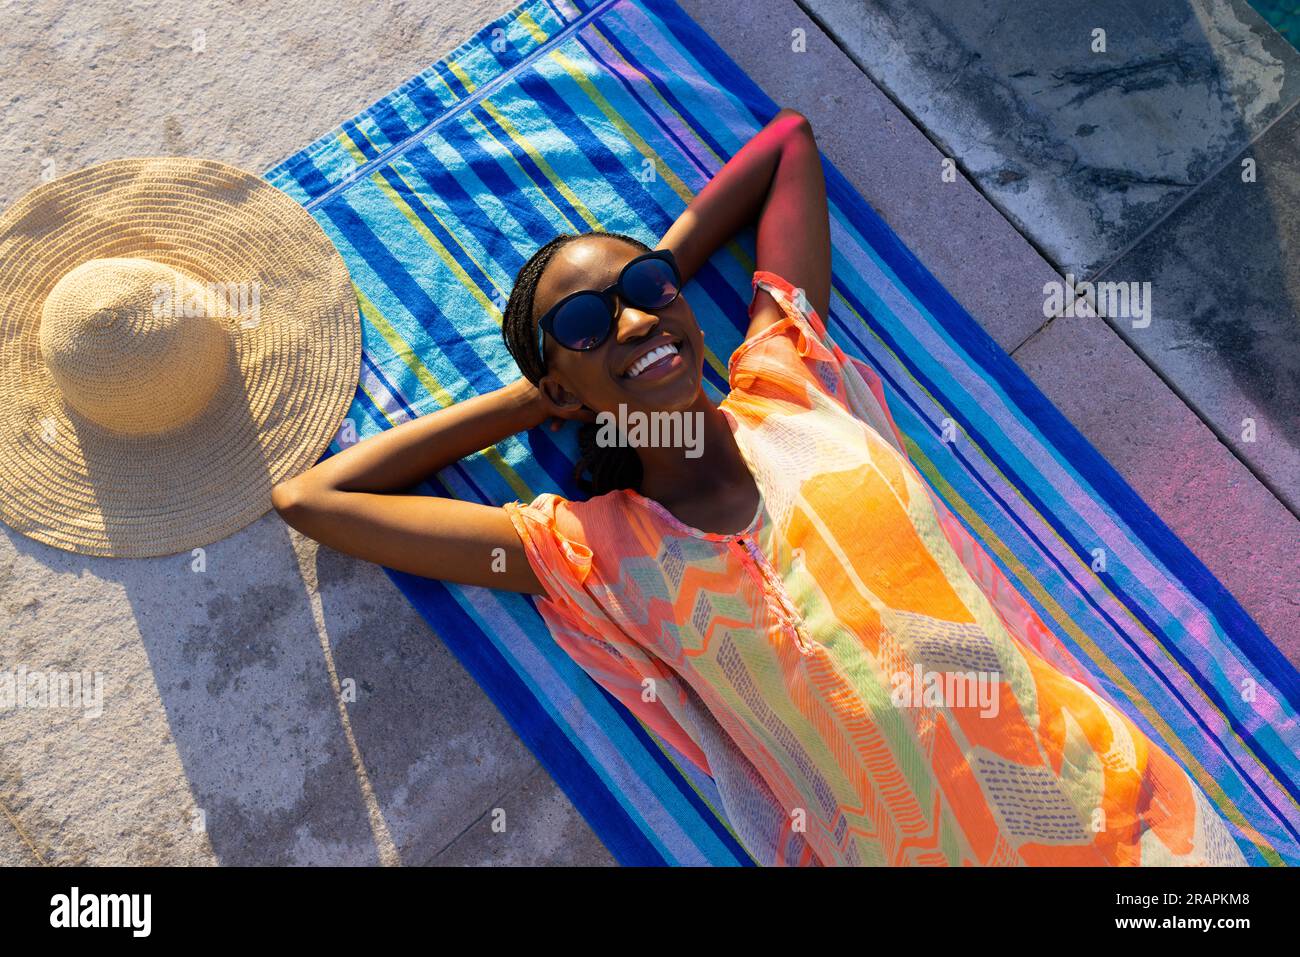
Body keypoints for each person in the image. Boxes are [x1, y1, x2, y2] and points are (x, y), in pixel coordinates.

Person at [271, 109, 1246, 867]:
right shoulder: (587, 550)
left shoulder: (789, 381)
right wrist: (548, 395)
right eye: (583, 324)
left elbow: (786, 145)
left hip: (1128, 822)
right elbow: (314, 500)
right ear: (558, 387)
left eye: (646, 290)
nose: (630, 322)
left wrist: (646, 304)